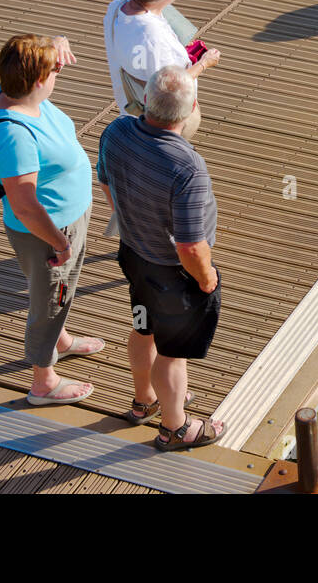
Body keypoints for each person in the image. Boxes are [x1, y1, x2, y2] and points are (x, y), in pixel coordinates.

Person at [97, 66, 225, 451]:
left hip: (134, 260)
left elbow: (105, 181)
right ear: (192, 109)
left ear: (146, 100)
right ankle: (176, 428)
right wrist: (205, 280)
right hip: (173, 276)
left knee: (142, 327)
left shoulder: (116, 132)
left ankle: (144, 401)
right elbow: (189, 246)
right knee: (172, 352)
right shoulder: (187, 167)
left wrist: (133, 220)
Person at [0, 35, 105, 406]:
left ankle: (61, 340)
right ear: (37, 81)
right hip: (49, 233)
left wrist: (54, 45)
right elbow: (25, 207)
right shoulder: (13, 136)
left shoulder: (5, 90)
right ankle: (43, 382)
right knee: (49, 301)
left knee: (56, 297)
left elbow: (27, 59)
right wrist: (61, 243)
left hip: (66, 219)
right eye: (53, 70)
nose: (59, 73)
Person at [102, 0, 221, 139]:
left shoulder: (118, 5)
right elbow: (172, 86)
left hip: (129, 105)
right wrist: (204, 63)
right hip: (161, 123)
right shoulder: (153, 39)